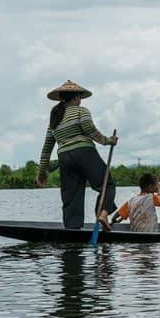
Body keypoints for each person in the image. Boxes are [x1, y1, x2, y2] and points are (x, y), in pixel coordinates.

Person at [36, 79, 119, 229]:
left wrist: (41, 173)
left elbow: (46, 149)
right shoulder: (82, 111)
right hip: (84, 153)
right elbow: (90, 131)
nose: (80, 100)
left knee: (71, 197)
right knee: (107, 185)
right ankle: (103, 214)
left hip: (65, 158)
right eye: (79, 97)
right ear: (75, 98)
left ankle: (72, 229)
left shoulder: (54, 120)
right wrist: (108, 141)